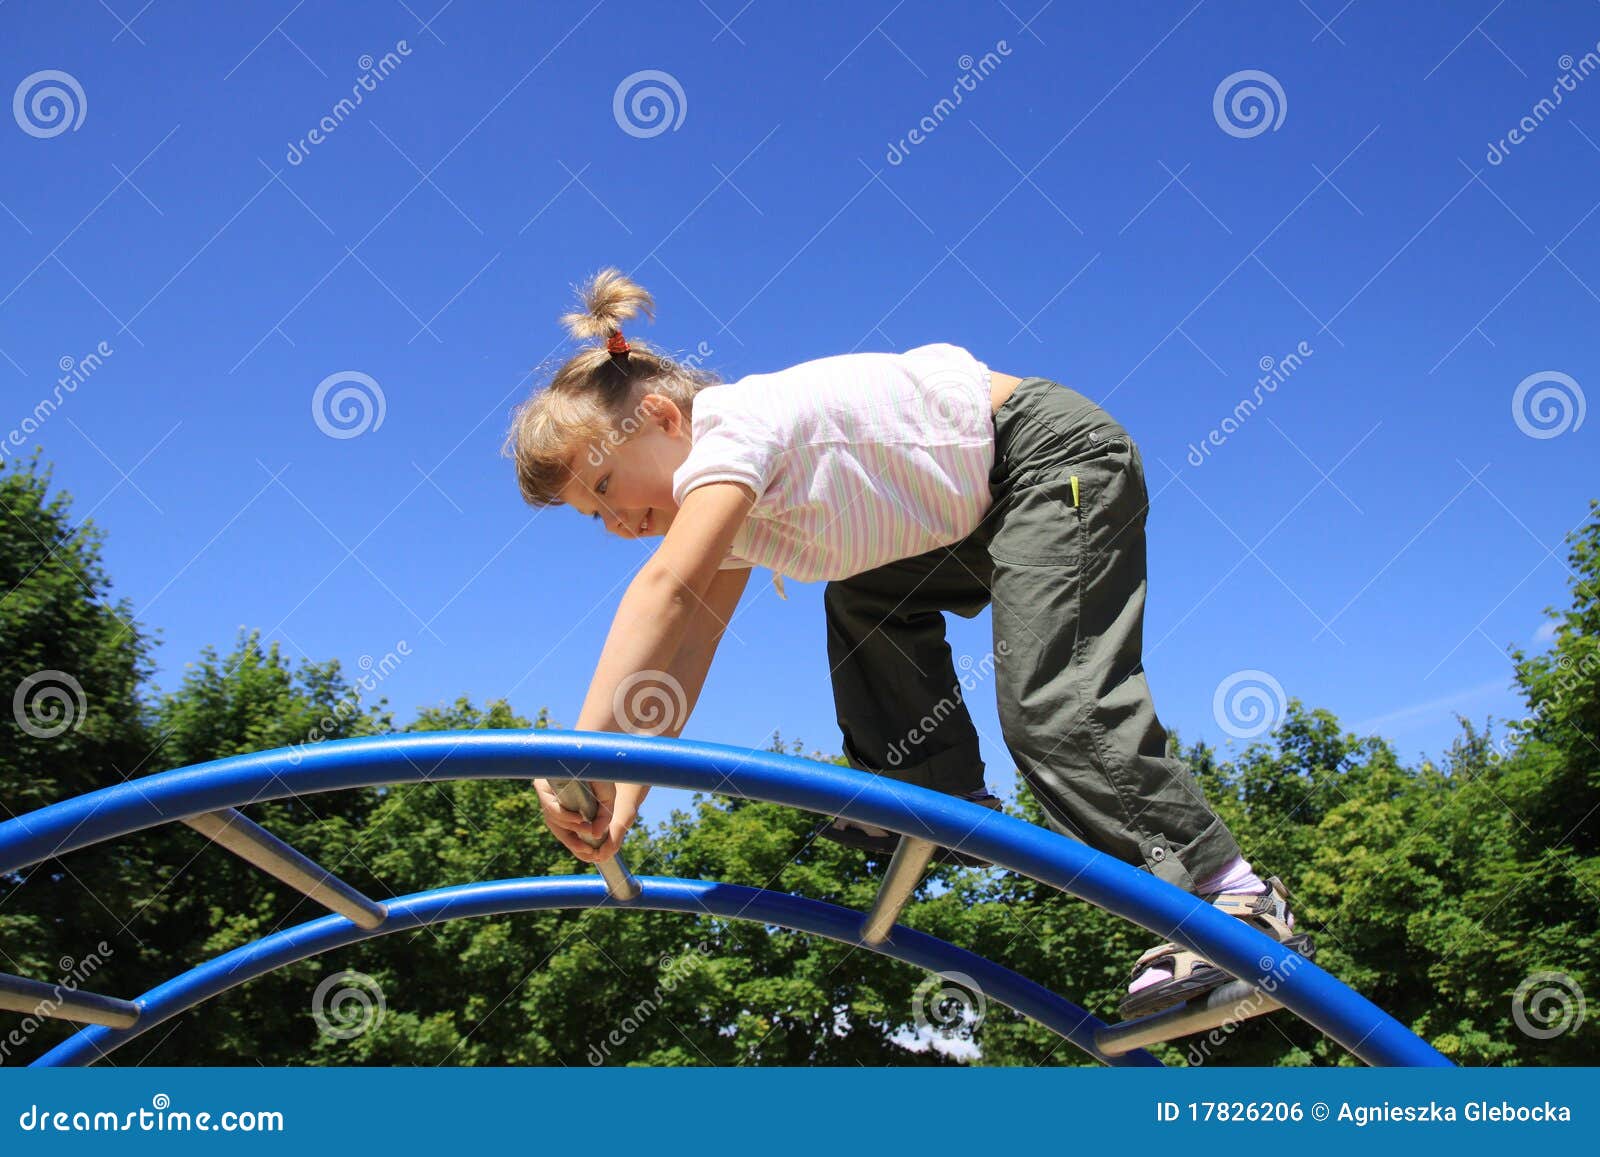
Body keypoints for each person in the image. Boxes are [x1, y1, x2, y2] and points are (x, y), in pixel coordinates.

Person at [502, 267, 1312, 1018]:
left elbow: (666, 593)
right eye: (594, 516)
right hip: (976, 511)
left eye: (607, 486)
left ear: (662, 418)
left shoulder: (731, 430)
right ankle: (935, 791)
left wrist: (580, 747)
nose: (617, 524)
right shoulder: (728, 511)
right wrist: (627, 788)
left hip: (1048, 461)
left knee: (1051, 704)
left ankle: (1231, 898)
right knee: (861, 595)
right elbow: (687, 653)